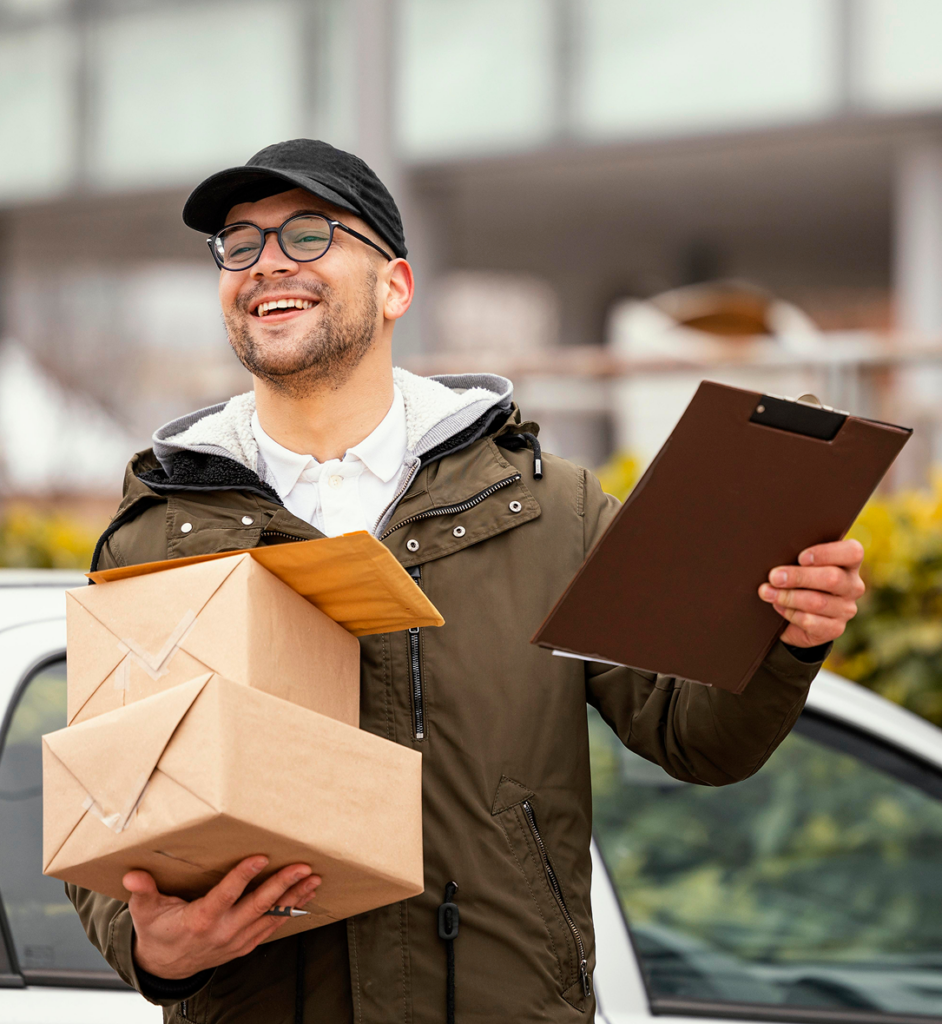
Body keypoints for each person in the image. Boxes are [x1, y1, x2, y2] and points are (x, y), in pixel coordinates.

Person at [67, 139, 866, 1024]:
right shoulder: (158, 535)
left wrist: (789, 637)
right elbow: (109, 802)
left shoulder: (547, 509)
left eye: (306, 234)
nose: (265, 265)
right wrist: (149, 948)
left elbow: (696, 738)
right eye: (239, 243)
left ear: (396, 286)